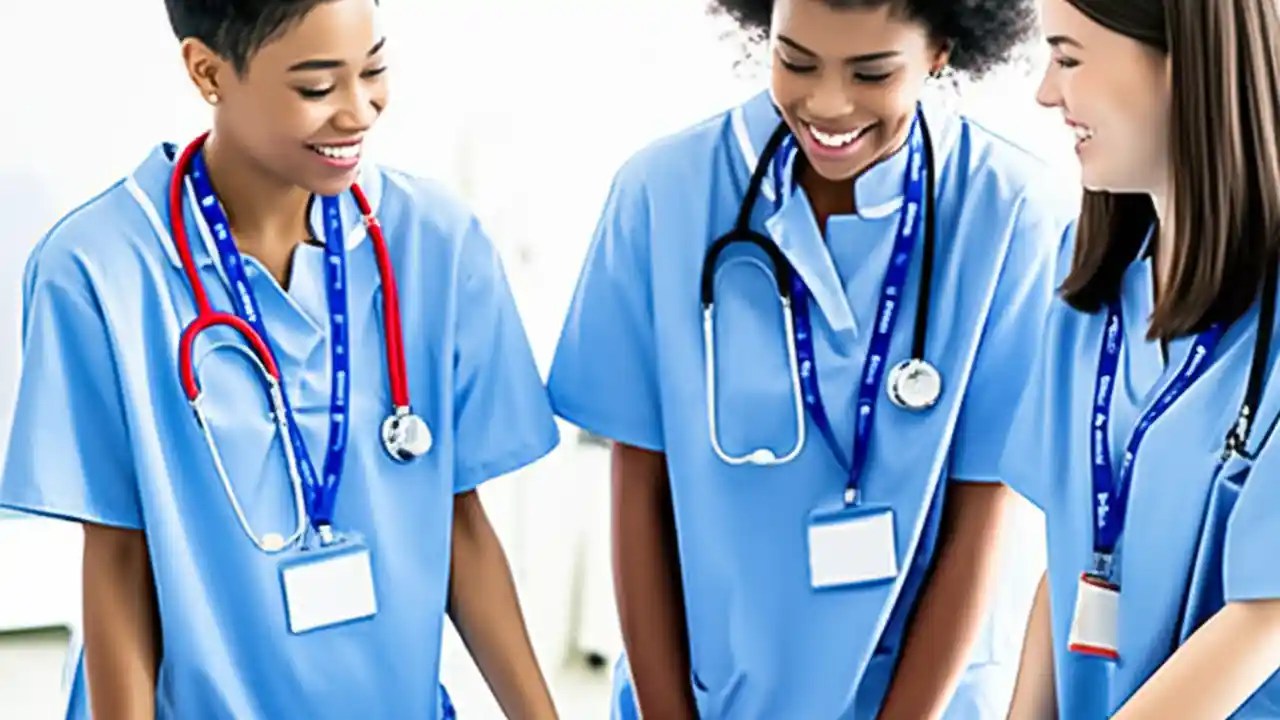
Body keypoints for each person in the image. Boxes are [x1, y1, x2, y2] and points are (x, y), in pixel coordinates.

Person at [0, 0, 560, 717]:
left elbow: (462, 527)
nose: (359, 111)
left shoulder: (436, 245)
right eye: (317, 87)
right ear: (208, 72)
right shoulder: (99, 270)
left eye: (373, 70)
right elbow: (117, 561)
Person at [546, 0, 1075, 717]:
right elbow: (638, 483)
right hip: (706, 695)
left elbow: (982, 511)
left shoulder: (1011, 213)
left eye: (871, 73)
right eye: (795, 62)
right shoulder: (663, 193)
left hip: (922, 699)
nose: (827, 104)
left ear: (941, 51)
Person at [1004, 1, 1280, 717]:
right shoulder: (1087, 285)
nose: (1045, 93)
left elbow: (1266, 618)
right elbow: (1068, 561)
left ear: (1187, 67)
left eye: (1068, 58)